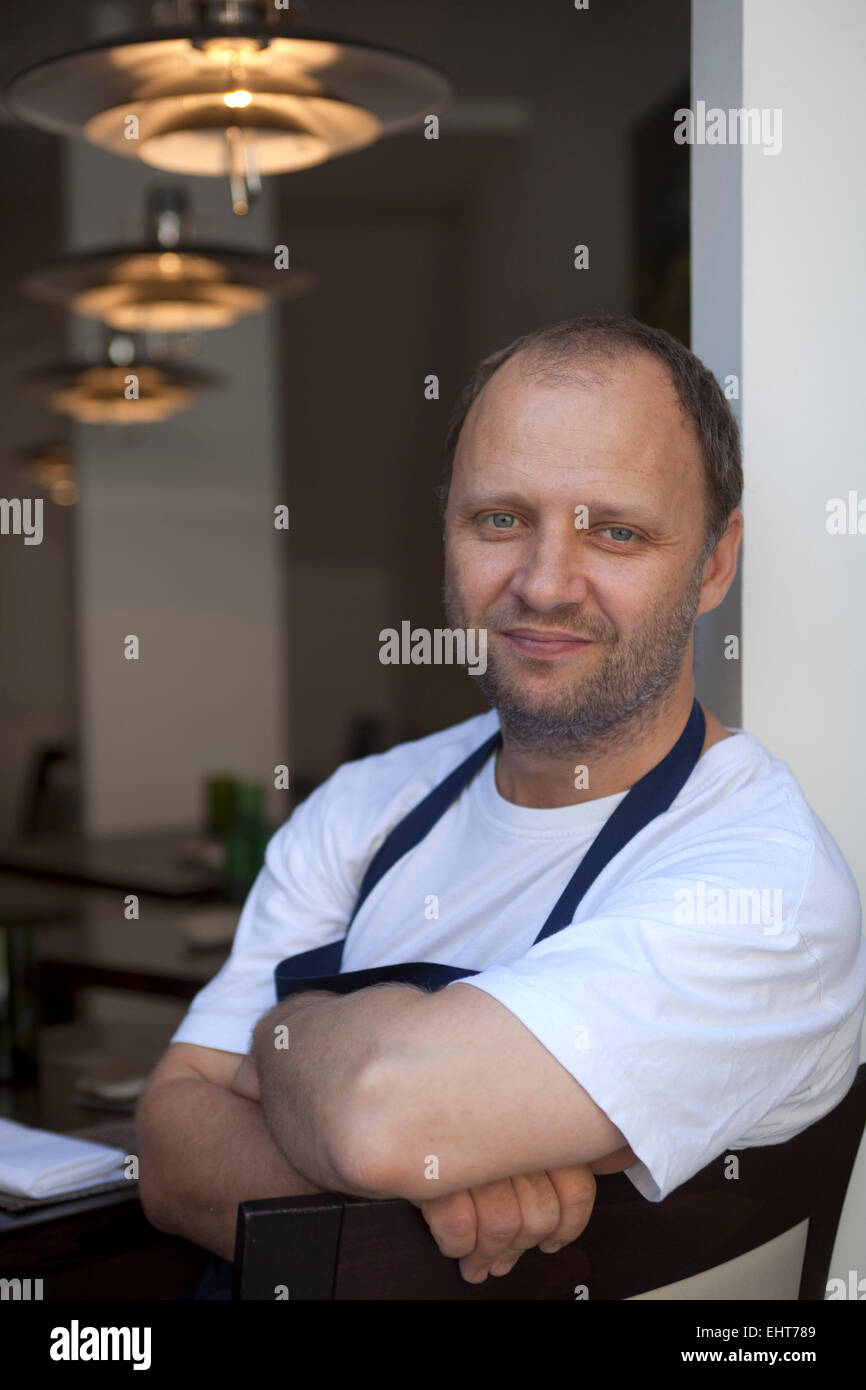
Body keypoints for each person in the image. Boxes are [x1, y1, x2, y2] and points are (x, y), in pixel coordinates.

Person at [136, 314, 866, 1298]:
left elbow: (382, 1115)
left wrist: (283, 1037)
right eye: (499, 519)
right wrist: (419, 1183)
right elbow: (171, 1148)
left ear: (713, 563)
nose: (542, 582)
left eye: (615, 530)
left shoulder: (757, 883)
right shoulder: (364, 806)